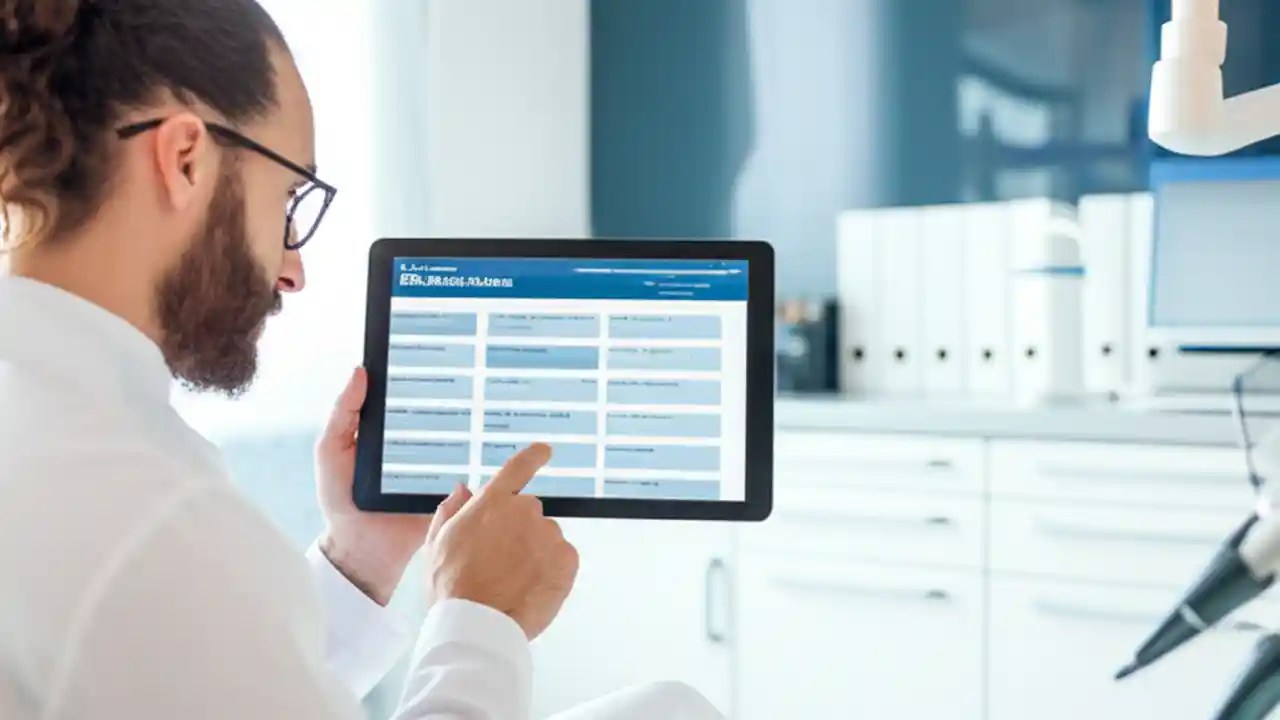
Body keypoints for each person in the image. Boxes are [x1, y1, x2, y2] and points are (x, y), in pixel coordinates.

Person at [0, 0, 584, 717]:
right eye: (286, 200)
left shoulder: (58, 441)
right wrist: (480, 620)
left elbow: (198, 688)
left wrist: (361, 558)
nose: (291, 270)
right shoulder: (146, 513)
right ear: (185, 160)